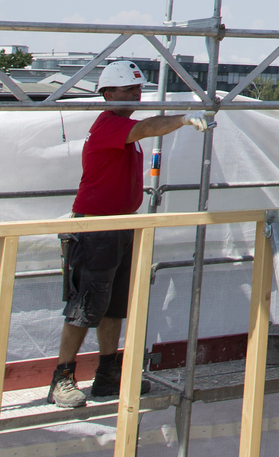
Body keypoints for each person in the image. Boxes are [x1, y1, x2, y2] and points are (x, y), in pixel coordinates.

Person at [48, 61, 204, 409]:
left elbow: (143, 128)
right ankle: (62, 378)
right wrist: (183, 119)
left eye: (138, 89)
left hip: (119, 225)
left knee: (113, 306)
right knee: (84, 306)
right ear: (108, 93)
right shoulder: (109, 125)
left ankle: (107, 375)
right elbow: (147, 127)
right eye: (129, 89)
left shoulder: (121, 129)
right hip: (95, 228)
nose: (137, 94)